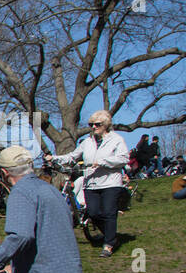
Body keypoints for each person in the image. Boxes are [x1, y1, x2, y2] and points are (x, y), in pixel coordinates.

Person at [46, 110, 129, 257]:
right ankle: (111, 235)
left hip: (110, 182)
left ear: (105, 125)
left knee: (109, 213)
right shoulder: (87, 142)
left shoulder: (116, 139)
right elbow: (73, 157)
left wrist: (103, 162)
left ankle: (108, 244)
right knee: (92, 212)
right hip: (91, 183)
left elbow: (123, 159)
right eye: (91, 124)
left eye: (97, 124)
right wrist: (54, 158)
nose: (93, 127)